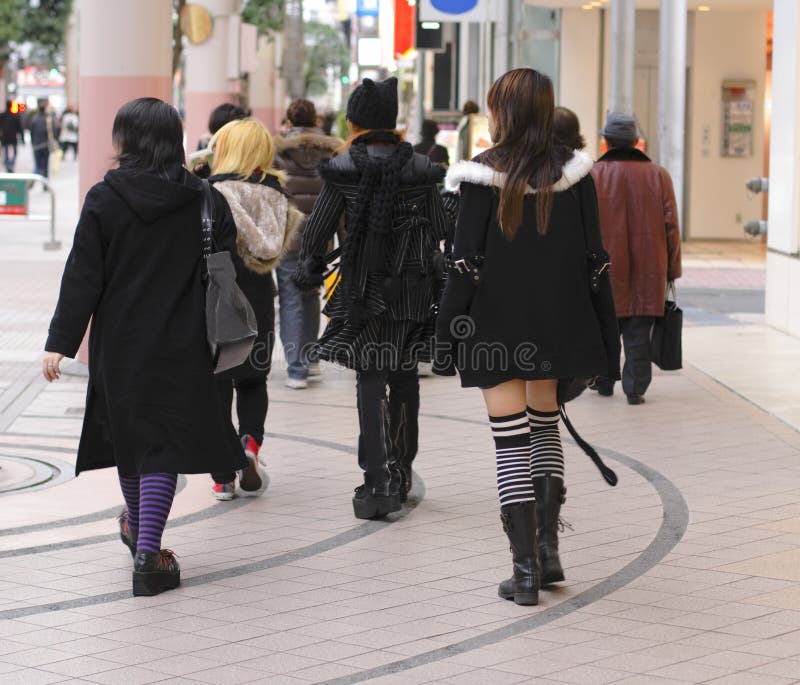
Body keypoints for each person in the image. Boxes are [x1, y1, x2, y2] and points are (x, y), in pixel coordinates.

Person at [42, 97, 248, 596]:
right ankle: (145, 547)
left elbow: (84, 274)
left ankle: (146, 550)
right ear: (173, 139)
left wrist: (60, 343)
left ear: (126, 141)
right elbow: (225, 270)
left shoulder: (104, 198)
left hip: (121, 343)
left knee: (134, 438)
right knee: (163, 443)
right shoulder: (205, 199)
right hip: (184, 341)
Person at [437, 69, 620, 606]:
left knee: (510, 441)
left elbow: (465, 264)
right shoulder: (577, 174)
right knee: (545, 428)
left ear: (502, 112)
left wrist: (447, 332)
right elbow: (595, 259)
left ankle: (522, 574)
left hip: (496, 326)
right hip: (561, 321)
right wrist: (608, 339)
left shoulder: (479, 177)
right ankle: (547, 553)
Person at [295, 77, 449, 519]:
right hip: (414, 291)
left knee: (369, 380)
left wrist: (309, 266)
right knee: (405, 380)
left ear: (353, 122)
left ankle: (376, 480)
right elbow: (442, 226)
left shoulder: (343, 167)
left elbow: (318, 229)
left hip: (363, 293)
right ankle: (401, 473)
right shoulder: (420, 167)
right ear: (393, 123)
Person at [207, 118, 304, 500]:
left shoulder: (211, 193)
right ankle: (250, 447)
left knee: (217, 386)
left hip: (218, 298)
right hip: (261, 298)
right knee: (252, 380)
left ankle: (222, 476)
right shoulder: (276, 193)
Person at [591, 112, 682, 405]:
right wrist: (673, 268)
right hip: (650, 266)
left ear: (606, 142)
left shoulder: (593, 175)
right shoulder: (658, 175)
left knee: (605, 324)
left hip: (604, 266)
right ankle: (635, 388)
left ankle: (604, 380)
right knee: (639, 328)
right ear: (636, 141)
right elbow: (671, 227)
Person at [273, 99, 342, 389]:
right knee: (312, 293)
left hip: (289, 236)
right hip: (319, 238)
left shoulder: (278, 153)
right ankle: (311, 360)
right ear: (315, 121)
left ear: (288, 122)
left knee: (290, 296)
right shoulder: (331, 153)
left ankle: (296, 369)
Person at [30, 99, 55, 179]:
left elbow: (31, 132)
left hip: (36, 145)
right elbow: (52, 131)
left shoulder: (34, 119)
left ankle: (33, 179)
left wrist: (33, 143)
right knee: (45, 165)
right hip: (45, 145)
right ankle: (45, 181)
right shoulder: (48, 119)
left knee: (38, 165)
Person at [0, 100, 23, 172]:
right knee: (14, 151)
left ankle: (8, 164)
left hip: (5, 137)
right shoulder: (15, 116)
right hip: (12, 137)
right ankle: (10, 164)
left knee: (7, 151)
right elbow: (19, 128)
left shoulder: (2, 115)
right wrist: (22, 138)